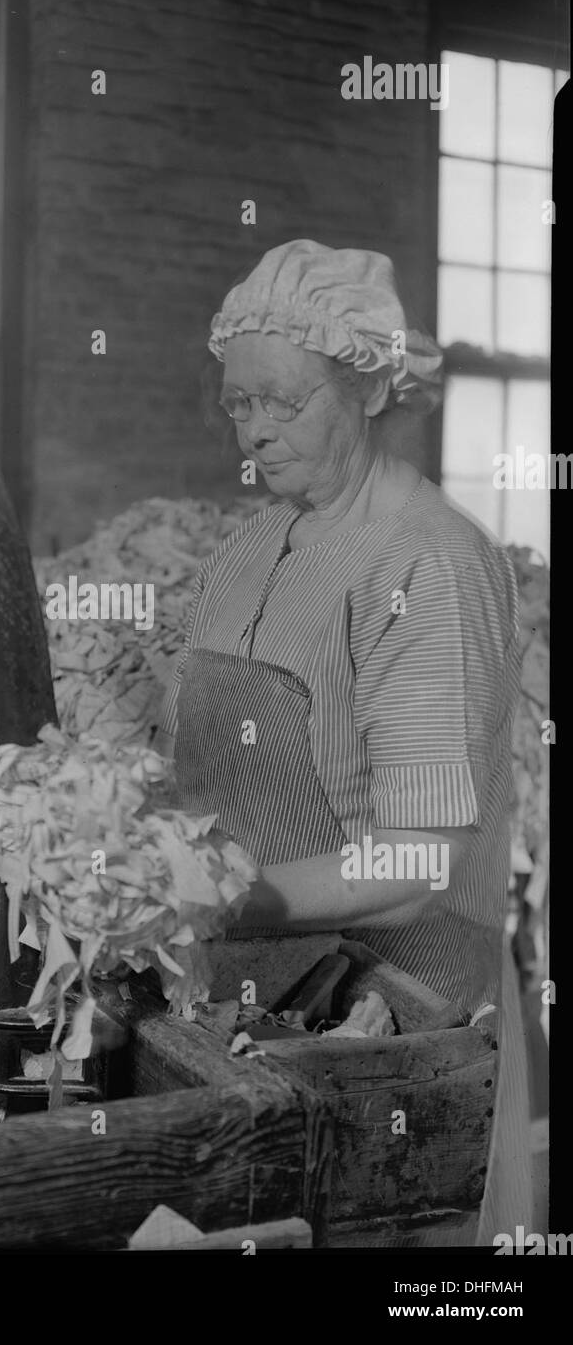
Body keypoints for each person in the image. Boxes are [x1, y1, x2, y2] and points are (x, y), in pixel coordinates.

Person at [157, 239, 531, 1246]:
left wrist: (217, 894)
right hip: (257, 995)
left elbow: (415, 863)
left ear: (366, 388)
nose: (255, 430)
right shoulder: (246, 549)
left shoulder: (427, 566)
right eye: (238, 402)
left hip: (397, 1020)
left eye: (284, 401)